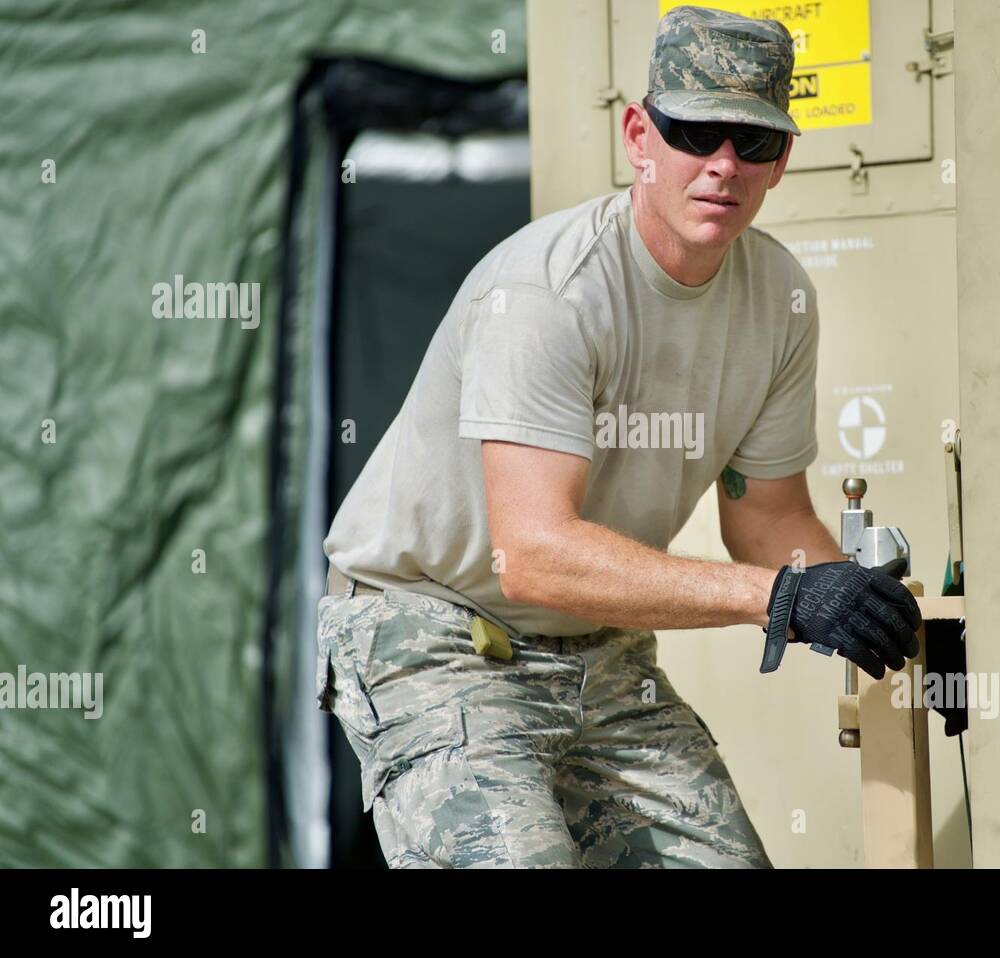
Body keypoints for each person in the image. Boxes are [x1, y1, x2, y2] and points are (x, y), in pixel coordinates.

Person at [315, 4, 921, 869]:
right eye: (695, 131)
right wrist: (783, 598)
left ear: (781, 160)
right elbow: (535, 554)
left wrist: (851, 595)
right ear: (640, 134)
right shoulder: (547, 293)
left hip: (598, 645)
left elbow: (768, 522)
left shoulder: (780, 299)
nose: (722, 165)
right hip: (436, 630)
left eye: (752, 142)